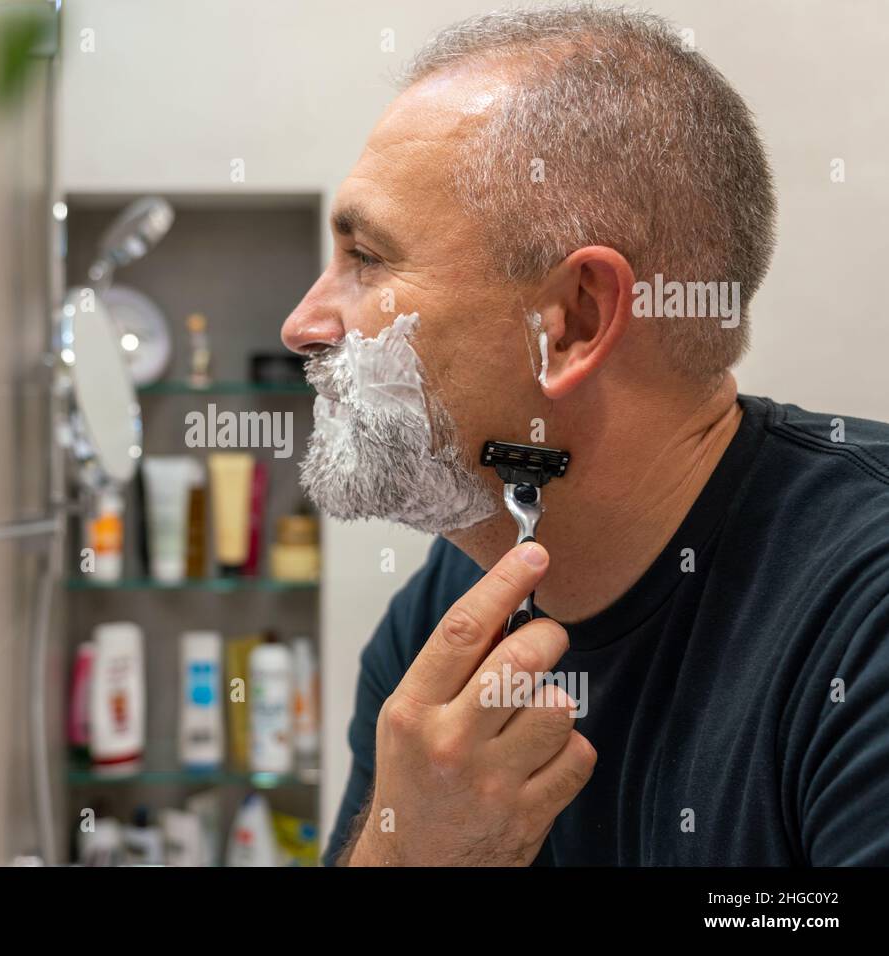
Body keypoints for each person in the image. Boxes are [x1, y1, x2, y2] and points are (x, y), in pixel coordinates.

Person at [281, 5, 889, 865]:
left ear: (571, 319)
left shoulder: (864, 617)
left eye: (368, 259)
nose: (301, 325)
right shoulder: (448, 614)